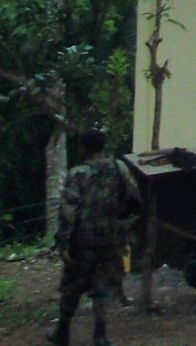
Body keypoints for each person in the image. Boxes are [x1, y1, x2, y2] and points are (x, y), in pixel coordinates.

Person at [47, 130, 140, 346]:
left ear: (83, 147)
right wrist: (120, 219)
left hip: (83, 241)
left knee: (72, 286)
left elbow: (68, 209)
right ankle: (100, 335)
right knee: (103, 287)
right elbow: (135, 198)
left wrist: (63, 241)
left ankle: (63, 332)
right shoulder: (119, 167)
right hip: (112, 239)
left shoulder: (78, 173)